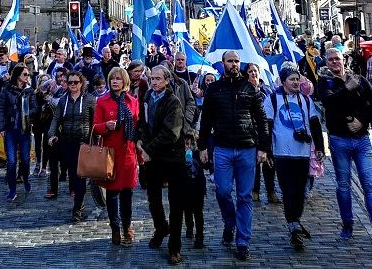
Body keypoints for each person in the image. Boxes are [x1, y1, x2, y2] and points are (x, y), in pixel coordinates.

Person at [197, 52, 270, 261]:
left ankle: (243, 241)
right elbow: (206, 120)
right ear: (223, 64)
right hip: (222, 148)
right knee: (222, 191)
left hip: (247, 147)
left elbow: (261, 119)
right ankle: (229, 223)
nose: (234, 64)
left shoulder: (250, 88)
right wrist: (202, 146)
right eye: (230, 61)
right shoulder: (214, 89)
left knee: (244, 196)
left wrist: (263, 147)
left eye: (237, 61)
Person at [316, 48, 372, 243]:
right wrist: (346, 88)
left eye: (338, 59)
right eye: (331, 59)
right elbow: (329, 103)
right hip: (339, 140)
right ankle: (347, 224)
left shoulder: (359, 80)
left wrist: (362, 120)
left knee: (369, 184)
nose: (335, 62)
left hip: (362, 140)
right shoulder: (325, 81)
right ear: (326, 62)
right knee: (343, 185)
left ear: (344, 60)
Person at [265, 64, 324, 250]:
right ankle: (293, 224)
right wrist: (266, 150)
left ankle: (294, 222)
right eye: (292, 79)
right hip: (282, 153)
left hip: (302, 152)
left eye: (298, 79)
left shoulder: (306, 101)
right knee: (288, 190)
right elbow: (267, 126)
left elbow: (315, 125)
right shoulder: (273, 99)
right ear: (283, 82)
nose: (296, 82)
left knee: (300, 192)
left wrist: (320, 148)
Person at [137, 65, 187, 266]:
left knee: (176, 204)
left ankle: (175, 246)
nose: (155, 82)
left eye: (158, 79)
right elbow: (143, 122)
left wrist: (149, 149)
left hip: (172, 156)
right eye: (152, 79)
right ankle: (161, 227)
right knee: (153, 197)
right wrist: (140, 140)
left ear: (166, 81)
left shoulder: (173, 102)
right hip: (152, 157)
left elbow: (171, 133)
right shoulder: (148, 97)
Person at [93, 66, 139, 247]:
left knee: (127, 193)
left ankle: (127, 226)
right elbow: (95, 126)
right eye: (112, 78)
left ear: (124, 81)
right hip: (110, 153)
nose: (115, 81)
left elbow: (136, 126)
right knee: (112, 194)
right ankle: (115, 228)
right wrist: (106, 126)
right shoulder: (102, 101)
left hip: (128, 152)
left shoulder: (132, 101)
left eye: (118, 79)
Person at [47, 71, 95, 221]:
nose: (73, 85)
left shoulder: (90, 100)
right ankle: (77, 202)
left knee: (79, 175)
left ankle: (77, 208)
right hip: (66, 140)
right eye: (70, 82)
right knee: (71, 175)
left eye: (76, 82)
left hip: (82, 141)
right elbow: (56, 119)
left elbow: (95, 122)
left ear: (82, 83)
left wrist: (94, 140)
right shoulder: (63, 100)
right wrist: (51, 134)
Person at [0, 63, 37, 202]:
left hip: (24, 130)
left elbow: (34, 108)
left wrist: (25, 112)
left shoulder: (29, 91)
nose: (27, 77)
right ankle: (12, 190)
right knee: (11, 161)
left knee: (25, 159)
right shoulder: (6, 89)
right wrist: (0, 127)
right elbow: (0, 108)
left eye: (28, 75)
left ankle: (25, 179)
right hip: (10, 129)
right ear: (18, 76)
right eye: (25, 74)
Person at [245, 62, 278, 204]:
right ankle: (255, 190)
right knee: (254, 163)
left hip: (266, 129)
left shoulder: (267, 91)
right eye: (250, 71)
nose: (253, 73)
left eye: (255, 71)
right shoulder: (244, 90)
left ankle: (271, 191)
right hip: (250, 131)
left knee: (269, 161)